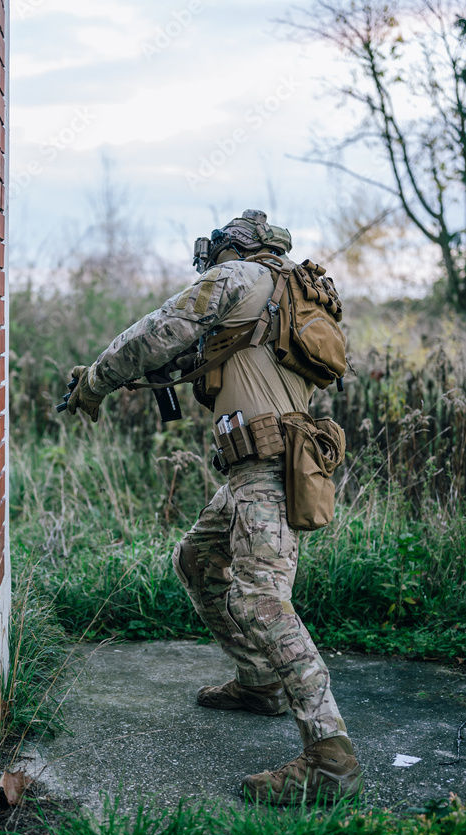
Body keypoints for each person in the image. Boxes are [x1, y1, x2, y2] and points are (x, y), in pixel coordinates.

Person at [64, 209, 363, 804]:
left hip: (267, 470)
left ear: (236, 247)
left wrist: (94, 381)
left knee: (260, 599)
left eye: (219, 248)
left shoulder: (239, 280)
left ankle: (330, 756)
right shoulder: (289, 294)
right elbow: (208, 356)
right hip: (263, 465)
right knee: (199, 559)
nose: (212, 258)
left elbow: (156, 332)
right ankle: (260, 683)